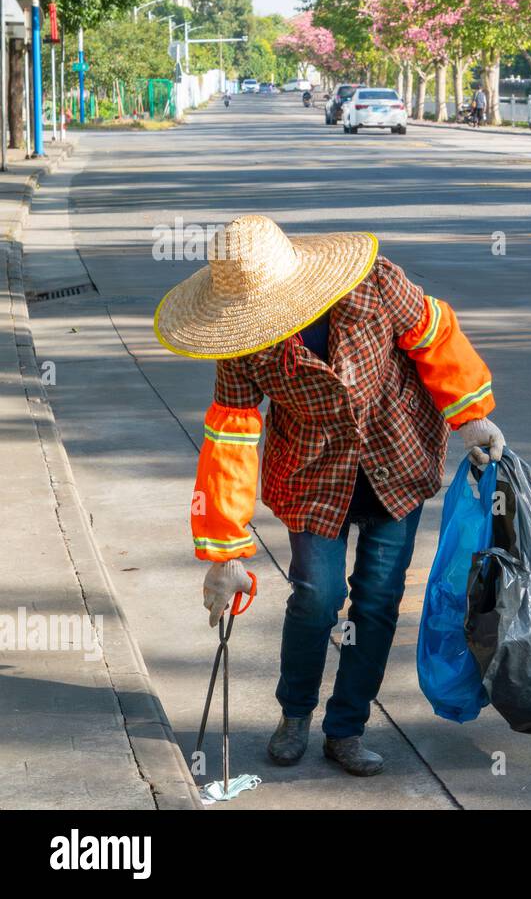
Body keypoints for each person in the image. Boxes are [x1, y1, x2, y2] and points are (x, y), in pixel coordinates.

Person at [154, 214, 505, 777]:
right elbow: (232, 437)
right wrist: (225, 555)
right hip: (312, 473)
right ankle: (294, 714)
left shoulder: (376, 284)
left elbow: (435, 334)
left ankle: (346, 727)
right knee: (317, 598)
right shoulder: (242, 343)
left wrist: (471, 417)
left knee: (376, 601)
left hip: (397, 458)